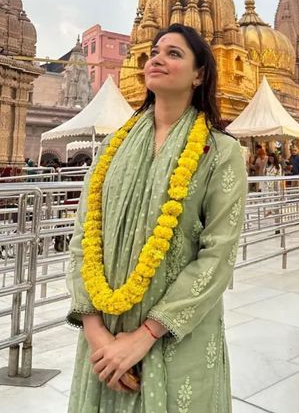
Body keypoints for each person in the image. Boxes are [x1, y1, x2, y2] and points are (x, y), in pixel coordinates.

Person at [66, 24, 247, 413]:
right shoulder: (113, 149)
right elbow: (82, 237)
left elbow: (218, 257)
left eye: (174, 53)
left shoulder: (220, 152)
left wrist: (144, 336)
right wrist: (98, 335)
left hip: (174, 339)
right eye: (154, 52)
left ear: (199, 74)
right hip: (104, 345)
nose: (157, 59)